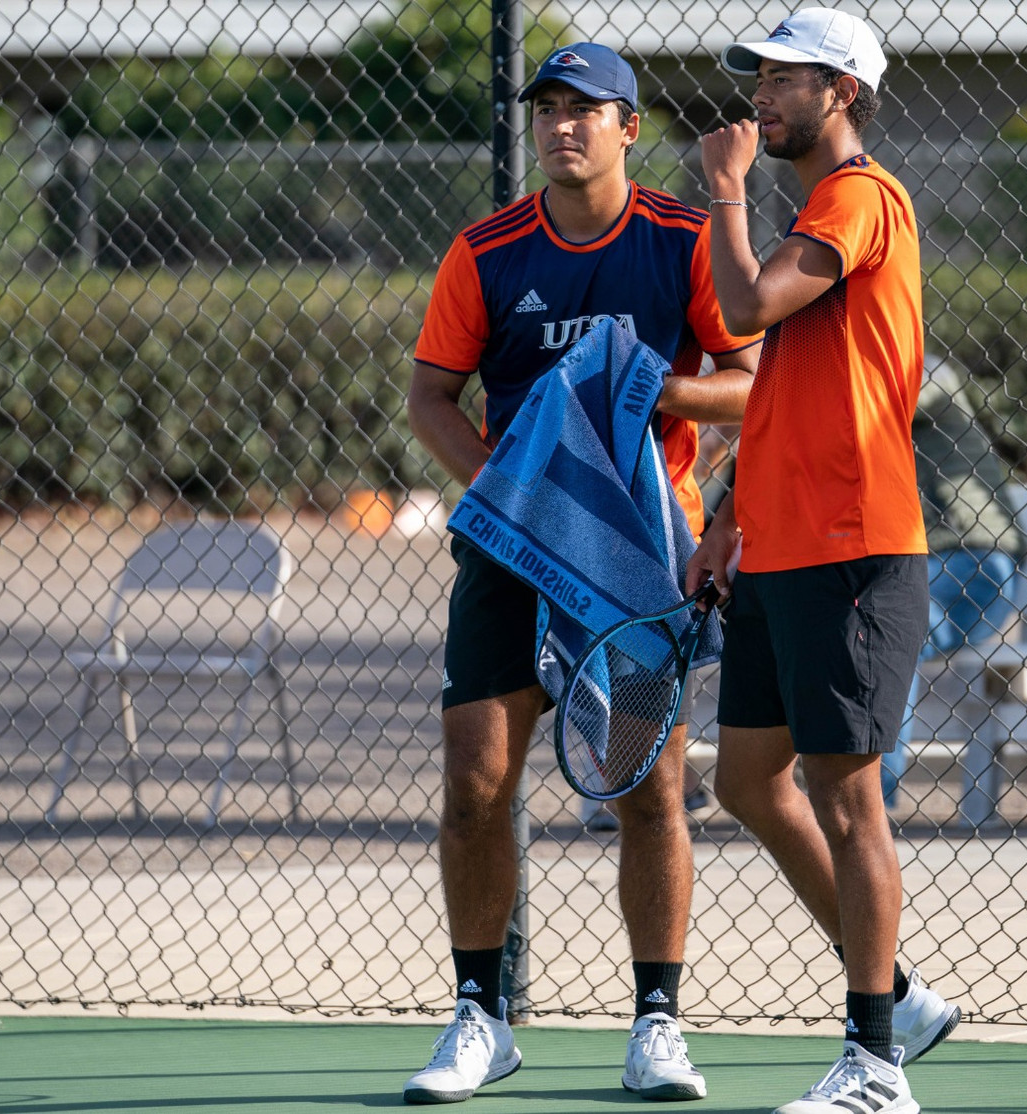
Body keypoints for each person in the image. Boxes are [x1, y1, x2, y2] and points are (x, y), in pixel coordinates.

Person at [403, 42, 761, 1104]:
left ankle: (657, 1022)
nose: (561, 126)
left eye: (585, 109)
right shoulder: (485, 251)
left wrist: (654, 390)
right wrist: (509, 493)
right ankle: (480, 1015)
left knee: (650, 790)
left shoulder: (684, 240)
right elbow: (430, 398)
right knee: (474, 785)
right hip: (511, 553)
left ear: (627, 127)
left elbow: (754, 384)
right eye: (546, 108)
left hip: (639, 561)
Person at [687, 10, 960, 1113]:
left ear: (841, 90)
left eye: (782, 77)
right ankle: (898, 994)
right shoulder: (813, 218)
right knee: (748, 782)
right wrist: (727, 515)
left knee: (852, 805)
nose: (759, 93)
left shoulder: (860, 200)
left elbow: (745, 308)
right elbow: (777, 391)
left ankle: (876, 1061)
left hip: (856, 552)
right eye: (756, 76)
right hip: (781, 550)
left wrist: (721, 190)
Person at [885, 356, 1025, 807]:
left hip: (974, 559)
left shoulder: (931, 371)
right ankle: (854, 793)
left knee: (889, 628)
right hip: (914, 564)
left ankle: (869, 794)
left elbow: (897, 399)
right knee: (868, 623)